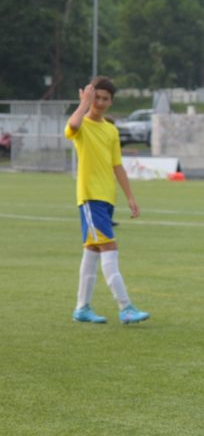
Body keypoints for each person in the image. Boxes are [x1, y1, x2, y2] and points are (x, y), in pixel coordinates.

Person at [66, 77, 150, 325]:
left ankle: (82, 308)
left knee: (92, 252)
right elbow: (71, 125)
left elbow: (117, 166)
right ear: (90, 97)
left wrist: (131, 197)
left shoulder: (111, 130)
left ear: (111, 101)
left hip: (107, 199)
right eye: (97, 97)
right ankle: (126, 307)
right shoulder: (81, 126)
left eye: (105, 98)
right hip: (90, 199)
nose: (100, 103)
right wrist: (83, 104)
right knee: (109, 249)